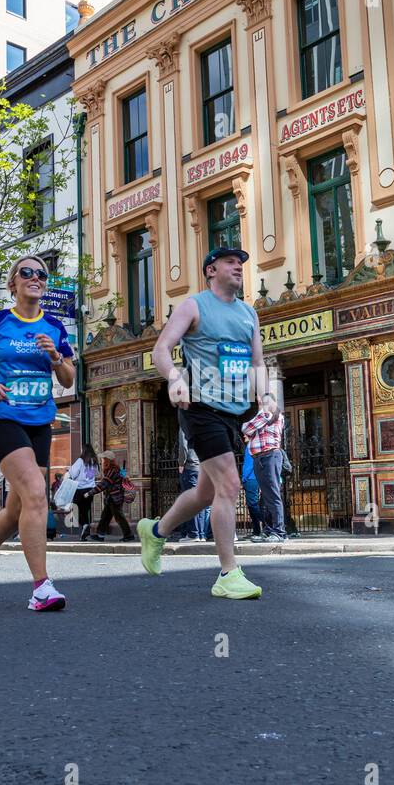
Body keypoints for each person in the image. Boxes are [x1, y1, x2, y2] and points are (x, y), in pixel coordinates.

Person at [138, 245, 265, 600]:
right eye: (230, 262)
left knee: (205, 493)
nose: (238, 267)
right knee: (229, 485)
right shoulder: (193, 306)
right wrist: (175, 379)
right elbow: (161, 349)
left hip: (232, 412)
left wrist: (265, 396)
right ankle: (228, 573)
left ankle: (156, 531)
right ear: (211, 270)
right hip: (199, 407)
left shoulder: (249, 314)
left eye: (240, 263)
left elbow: (257, 362)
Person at [0, 254, 76, 611]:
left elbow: (69, 378)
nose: (35, 277)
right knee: (37, 494)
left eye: (41, 273)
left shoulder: (55, 327)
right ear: (13, 283)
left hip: (39, 421)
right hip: (2, 416)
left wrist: (56, 357)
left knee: (18, 504)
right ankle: (41, 587)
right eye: (26, 272)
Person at [242, 392, 286, 543]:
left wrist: (252, 431)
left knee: (272, 494)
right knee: (266, 497)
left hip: (269, 456)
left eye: (261, 401)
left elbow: (246, 428)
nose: (260, 404)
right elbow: (249, 430)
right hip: (260, 457)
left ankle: (279, 531)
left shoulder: (267, 414)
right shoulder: (265, 417)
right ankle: (268, 530)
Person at [92, 450, 134, 542]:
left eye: (103, 459)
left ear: (107, 460)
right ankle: (100, 535)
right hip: (111, 497)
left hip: (115, 497)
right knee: (105, 517)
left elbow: (105, 483)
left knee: (119, 517)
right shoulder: (112, 469)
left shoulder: (112, 470)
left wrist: (90, 492)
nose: (102, 461)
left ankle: (129, 535)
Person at [172, 427, 203, 541]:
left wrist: (181, 463)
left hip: (190, 467)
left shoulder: (185, 426)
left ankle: (193, 534)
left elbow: (183, 447)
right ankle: (200, 534)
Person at [68, 442, 100, 542]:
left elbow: (72, 473)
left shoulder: (80, 461)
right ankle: (85, 531)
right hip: (90, 490)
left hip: (79, 489)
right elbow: (96, 474)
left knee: (75, 510)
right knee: (85, 511)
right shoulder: (94, 462)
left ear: (84, 451)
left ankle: (85, 526)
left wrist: (68, 471)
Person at [241, 445, 264, 539]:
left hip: (252, 478)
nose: (244, 435)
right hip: (249, 478)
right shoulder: (248, 446)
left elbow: (252, 464)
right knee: (251, 505)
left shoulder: (253, 445)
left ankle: (266, 524)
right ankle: (256, 530)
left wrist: (245, 477)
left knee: (253, 504)